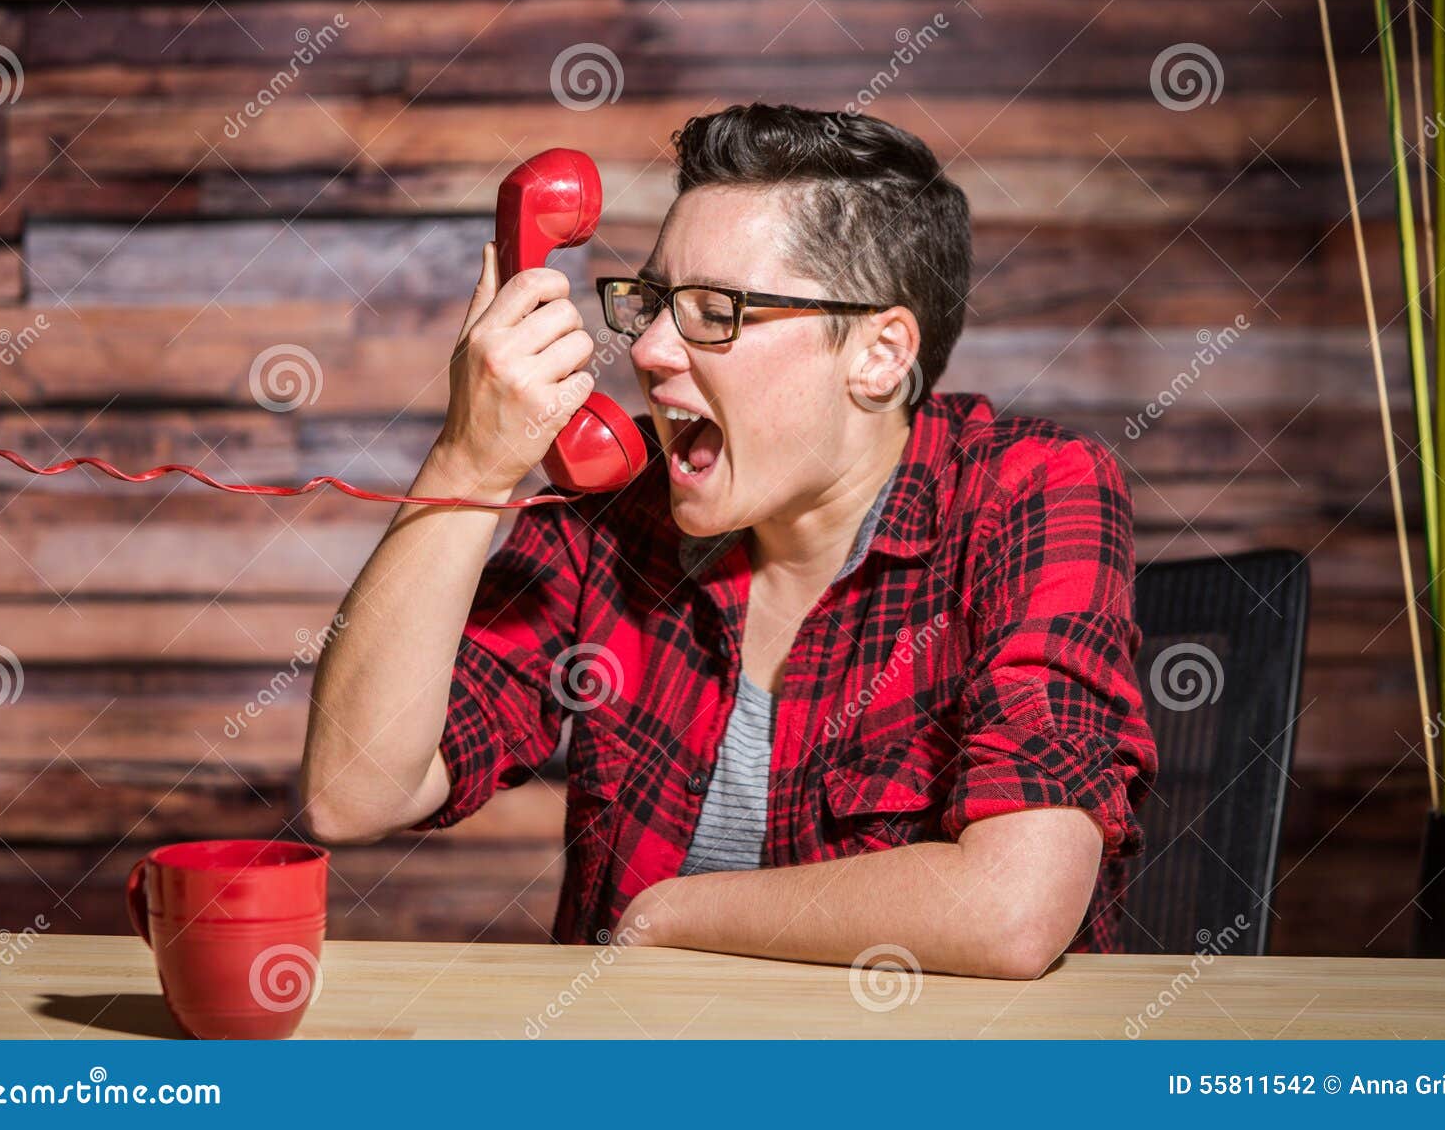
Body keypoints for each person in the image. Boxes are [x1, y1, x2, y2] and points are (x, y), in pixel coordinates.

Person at [299, 101, 1157, 979]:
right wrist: (470, 464)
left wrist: (665, 913)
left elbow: (1012, 910)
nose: (651, 351)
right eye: (655, 303)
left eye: (717, 310)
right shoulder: (615, 517)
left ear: (879, 353)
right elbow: (353, 792)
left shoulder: (1032, 489)